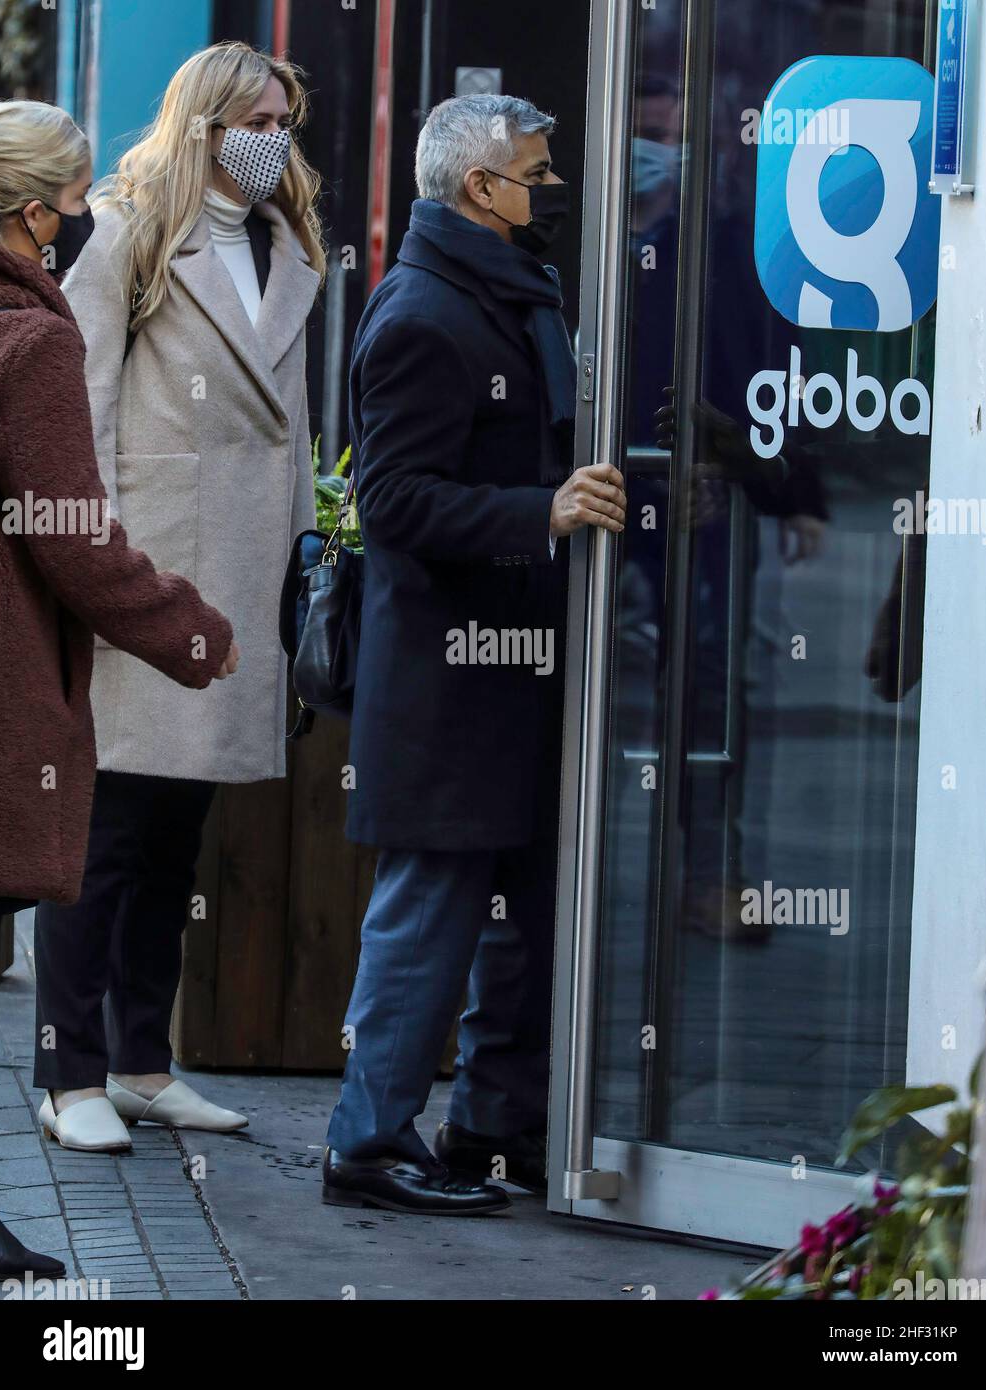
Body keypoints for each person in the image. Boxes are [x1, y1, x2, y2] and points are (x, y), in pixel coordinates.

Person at [322, 95, 627, 1215]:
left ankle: (494, 1131)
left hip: (524, 671)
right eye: (535, 173)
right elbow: (393, 502)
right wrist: (539, 512)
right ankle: (366, 1139)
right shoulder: (420, 313)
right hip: (450, 681)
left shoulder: (513, 290)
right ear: (477, 189)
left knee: (526, 912)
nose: (551, 187)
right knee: (431, 910)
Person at [30, 41, 323, 1151]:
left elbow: (290, 423)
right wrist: (92, 557)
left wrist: (303, 545)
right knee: (106, 834)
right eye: (260, 114)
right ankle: (69, 1073)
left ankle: (145, 1060)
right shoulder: (125, 230)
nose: (276, 137)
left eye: (287, 119)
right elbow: (81, 403)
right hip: (149, 564)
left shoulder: (286, 241)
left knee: (176, 836)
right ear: (205, 117)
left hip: (242, 567)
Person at [0, 99, 235, 1269]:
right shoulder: (33, 341)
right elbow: (75, 538)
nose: (89, 217)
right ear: (37, 212)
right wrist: (192, 632)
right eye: (77, 197)